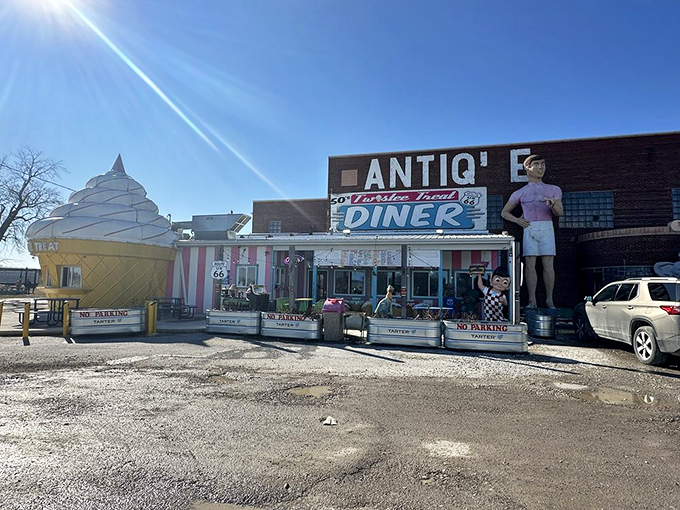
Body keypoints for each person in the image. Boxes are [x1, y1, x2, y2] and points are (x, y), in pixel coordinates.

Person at [501, 154, 563, 309]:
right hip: (529, 228)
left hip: (547, 227)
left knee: (548, 264)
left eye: (543, 164)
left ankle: (549, 300)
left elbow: (560, 213)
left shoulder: (553, 189)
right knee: (529, 264)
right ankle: (532, 300)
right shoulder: (520, 192)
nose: (541, 167)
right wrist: (518, 220)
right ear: (527, 168)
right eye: (536, 164)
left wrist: (553, 205)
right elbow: (504, 212)